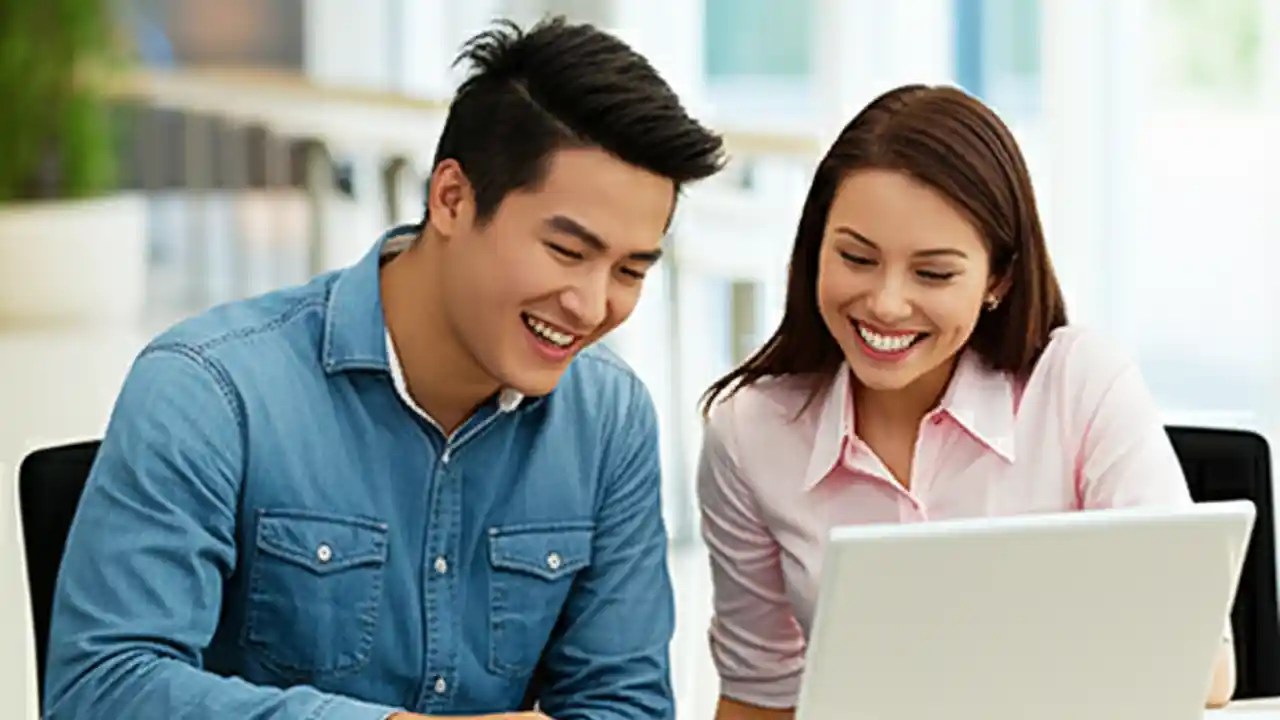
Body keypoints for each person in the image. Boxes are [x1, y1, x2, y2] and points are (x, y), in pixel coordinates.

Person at [44, 16, 725, 720]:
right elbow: (101, 688)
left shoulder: (607, 420)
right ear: (452, 199)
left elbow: (624, 706)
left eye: (630, 270)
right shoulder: (210, 389)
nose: (591, 305)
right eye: (566, 251)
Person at [695, 83, 1235, 719]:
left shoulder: (1080, 382)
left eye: (933, 274)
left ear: (997, 278)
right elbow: (758, 698)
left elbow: (1201, 666)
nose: (887, 303)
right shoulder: (750, 432)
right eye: (857, 258)